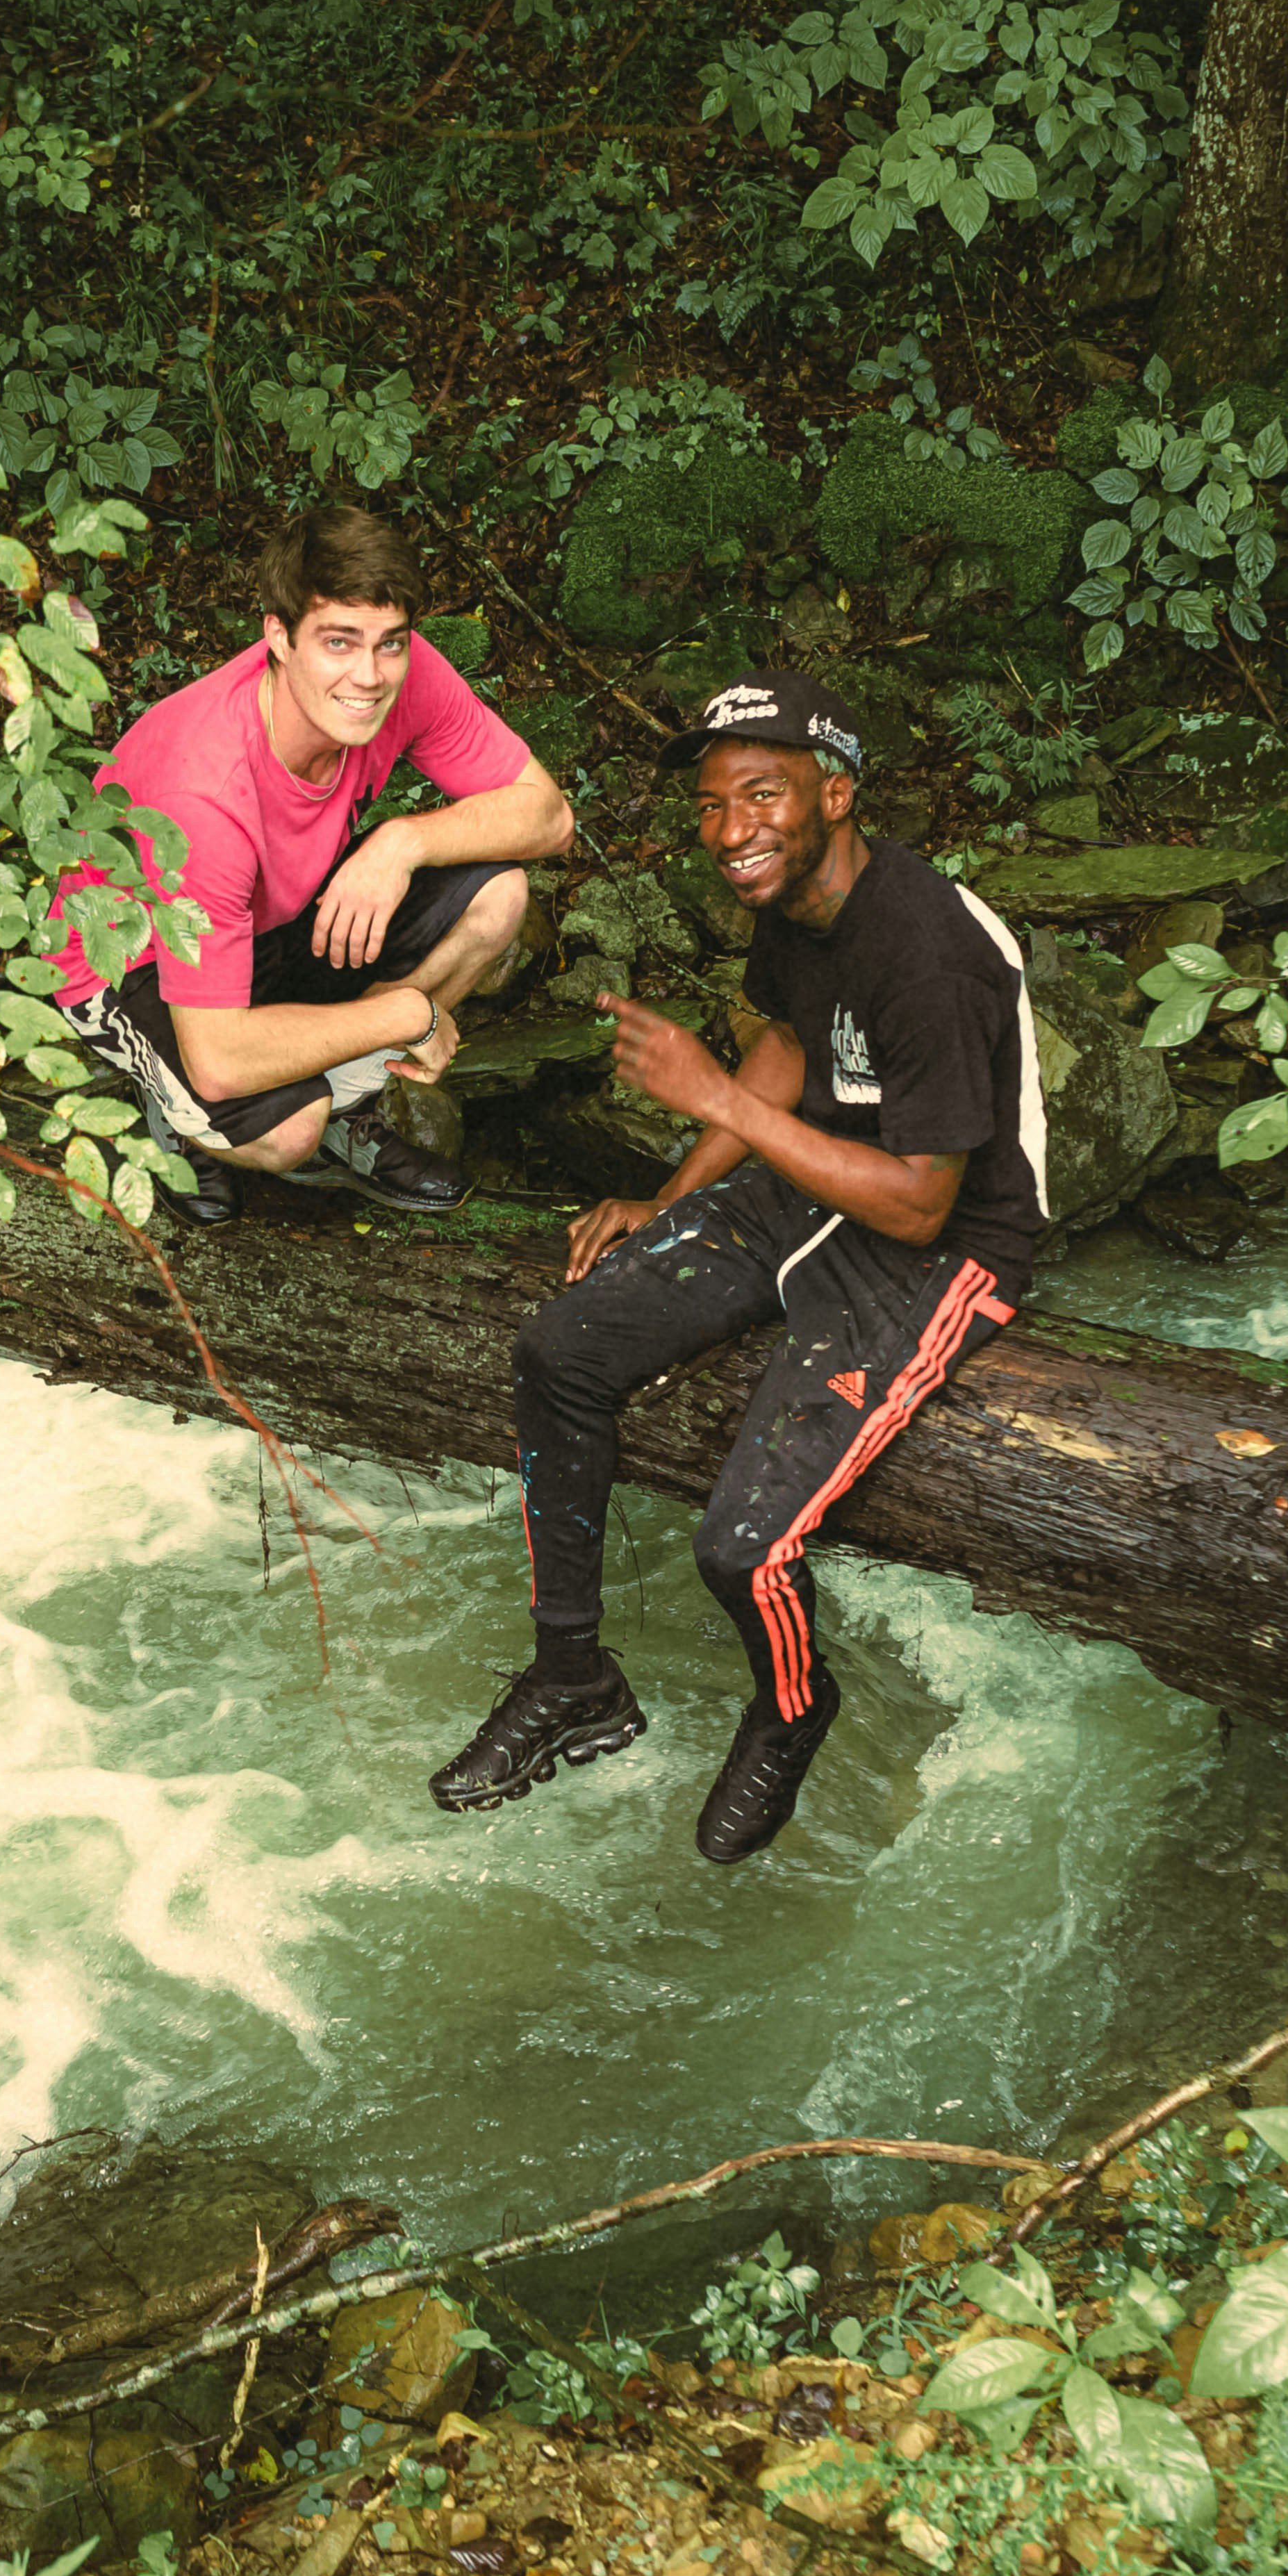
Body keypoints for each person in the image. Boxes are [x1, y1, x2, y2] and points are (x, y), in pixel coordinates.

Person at [436, 671, 1051, 1863]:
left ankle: (790, 1704)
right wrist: (669, 1194)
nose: (730, 833)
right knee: (558, 1349)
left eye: (760, 796)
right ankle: (572, 1677)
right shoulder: (795, 898)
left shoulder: (926, 948)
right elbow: (782, 1042)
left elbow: (925, 1205)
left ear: (837, 792)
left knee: (743, 1546)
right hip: (803, 1186)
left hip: (939, 1240)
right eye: (713, 805)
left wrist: (711, 1098)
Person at [48, 507, 576, 1223]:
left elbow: (549, 816)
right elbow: (222, 1059)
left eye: (391, 644)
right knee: (282, 1130)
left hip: (269, 917)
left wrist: (401, 843)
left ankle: (340, 1107)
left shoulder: (403, 677)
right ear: (279, 638)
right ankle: (181, 1112)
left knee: (499, 898)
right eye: (339, 643)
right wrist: (404, 1012)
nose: (370, 676)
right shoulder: (204, 794)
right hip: (131, 964)